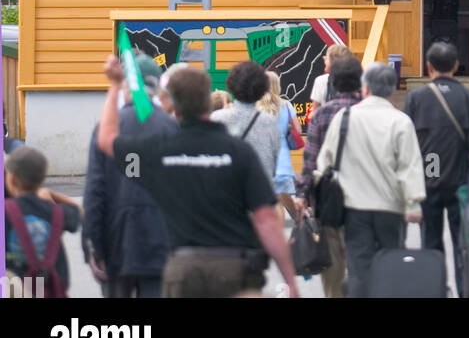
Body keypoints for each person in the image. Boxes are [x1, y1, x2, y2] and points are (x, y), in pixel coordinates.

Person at [97, 57, 299, 298]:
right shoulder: (238, 152)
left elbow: (107, 140)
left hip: (182, 270)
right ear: (208, 101)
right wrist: (289, 280)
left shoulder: (158, 150)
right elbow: (266, 218)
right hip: (234, 268)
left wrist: (115, 85)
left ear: (171, 104)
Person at [315, 60, 425, 298]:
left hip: (355, 208)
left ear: (365, 88)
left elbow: (324, 163)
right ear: (392, 89)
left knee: (359, 269)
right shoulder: (401, 121)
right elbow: (410, 165)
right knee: (391, 268)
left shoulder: (344, 117)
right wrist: (414, 203)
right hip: (391, 209)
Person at [82, 52, 175, 298]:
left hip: (115, 241)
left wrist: (94, 246)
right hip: (161, 242)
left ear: (126, 87)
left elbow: (95, 191)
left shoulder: (107, 127)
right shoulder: (171, 127)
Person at [404, 40, 469, 295]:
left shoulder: (416, 98)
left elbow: (407, 144)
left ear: (428, 67)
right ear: (455, 67)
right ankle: (465, 291)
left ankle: (434, 290)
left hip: (426, 183)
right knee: (464, 246)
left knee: (429, 245)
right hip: (461, 184)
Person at [297, 55, 363, 297]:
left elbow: (310, 156)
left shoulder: (322, 114)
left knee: (333, 262)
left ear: (332, 83)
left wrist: (303, 194)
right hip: (365, 195)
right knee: (362, 260)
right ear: (360, 82)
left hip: (329, 196)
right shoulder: (369, 112)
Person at [4, 146, 82, 295]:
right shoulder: (55, 211)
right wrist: (53, 195)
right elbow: (79, 213)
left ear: (11, 179)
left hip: (15, 290)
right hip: (50, 289)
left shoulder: (5, 211)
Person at [211, 60, 281, 186]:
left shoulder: (216, 118)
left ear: (231, 85)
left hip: (226, 191)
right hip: (260, 191)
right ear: (262, 88)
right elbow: (274, 162)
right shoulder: (269, 122)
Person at [258, 70, 302, 215]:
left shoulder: (255, 106)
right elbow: (298, 128)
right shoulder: (286, 105)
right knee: (280, 195)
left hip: (261, 153)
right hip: (281, 153)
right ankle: (299, 221)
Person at [310, 42, 354, 112]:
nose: (324, 60)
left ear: (333, 61)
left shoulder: (320, 81)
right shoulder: (355, 80)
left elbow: (315, 111)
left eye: (326, 58)